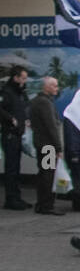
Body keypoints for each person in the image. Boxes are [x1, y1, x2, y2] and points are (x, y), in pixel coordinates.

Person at [29, 76, 63, 214]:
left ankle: (42, 203)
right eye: (54, 86)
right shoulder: (45, 103)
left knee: (44, 172)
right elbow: (51, 126)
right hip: (48, 146)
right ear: (46, 87)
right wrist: (58, 147)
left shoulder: (36, 101)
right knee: (48, 174)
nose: (57, 88)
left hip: (41, 143)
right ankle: (46, 205)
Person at [2, 67, 31, 210]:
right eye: (23, 78)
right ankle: (11, 198)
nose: (25, 81)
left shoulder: (20, 93)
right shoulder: (7, 92)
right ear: (16, 77)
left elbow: (24, 108)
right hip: (11, 134)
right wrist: (11, 119)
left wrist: (25, 119)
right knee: (12, 168)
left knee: (16, 167)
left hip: (20, 134)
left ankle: (16, 196)